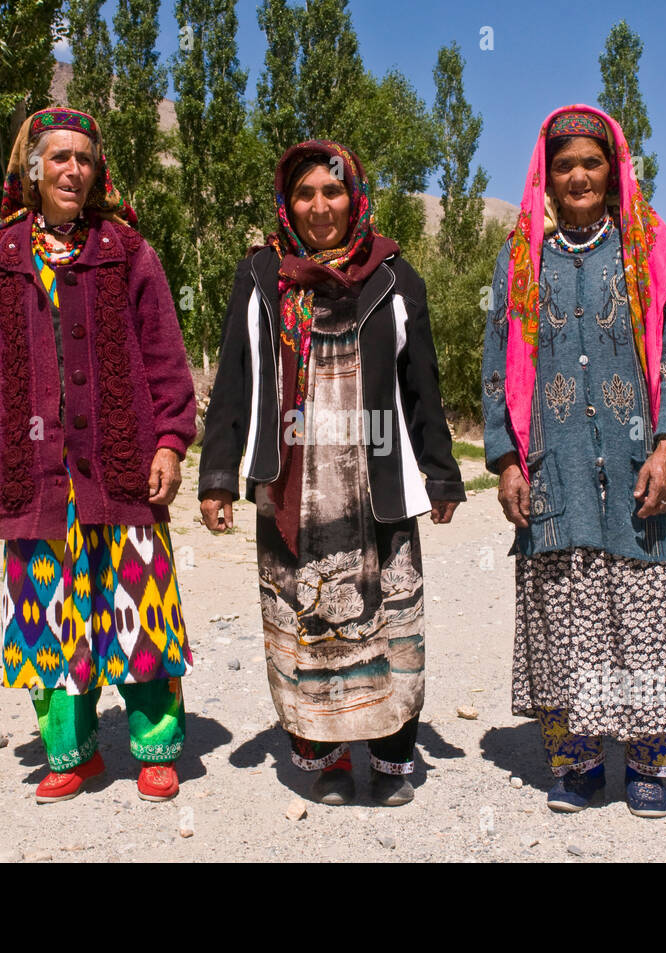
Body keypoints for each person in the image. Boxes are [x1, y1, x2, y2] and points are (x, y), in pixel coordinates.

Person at [198, 140, 465, 806]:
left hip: (376, 477)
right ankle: (328, 757)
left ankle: (395, 757)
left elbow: (420, 385)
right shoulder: (261, 275)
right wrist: (217, 475)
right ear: (288, 204)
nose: (320, 207)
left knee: (387, 612)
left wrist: (441, 474)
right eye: (306, 194)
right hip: (293, 477)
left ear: (356, 199)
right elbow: (233, 377)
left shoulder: (394, 276)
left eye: (334, 192)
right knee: (306, 615)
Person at [0, 107, 196, 804]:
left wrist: (171, 441)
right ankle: (72, 752)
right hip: (35, 478)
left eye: (84, 159)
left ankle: (155, 745)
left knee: (139, 609)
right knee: (48, 617)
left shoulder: (127, 251)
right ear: (32, 168)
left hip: (122, 470)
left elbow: (166, 359)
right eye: (58, 158)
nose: (73, 171)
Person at [481, 106, 666, 819]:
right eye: (564, 164)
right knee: (569, 605)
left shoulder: (652, 250)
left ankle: (648, 756)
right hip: (555, 469)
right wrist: (506, 460)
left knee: (645, 601)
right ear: (546, 177)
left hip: (639, 461)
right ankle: (578, 758)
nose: (578, 175)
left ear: (613, 170)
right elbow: (497, 368)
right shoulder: (519, 260)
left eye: (591, 161)